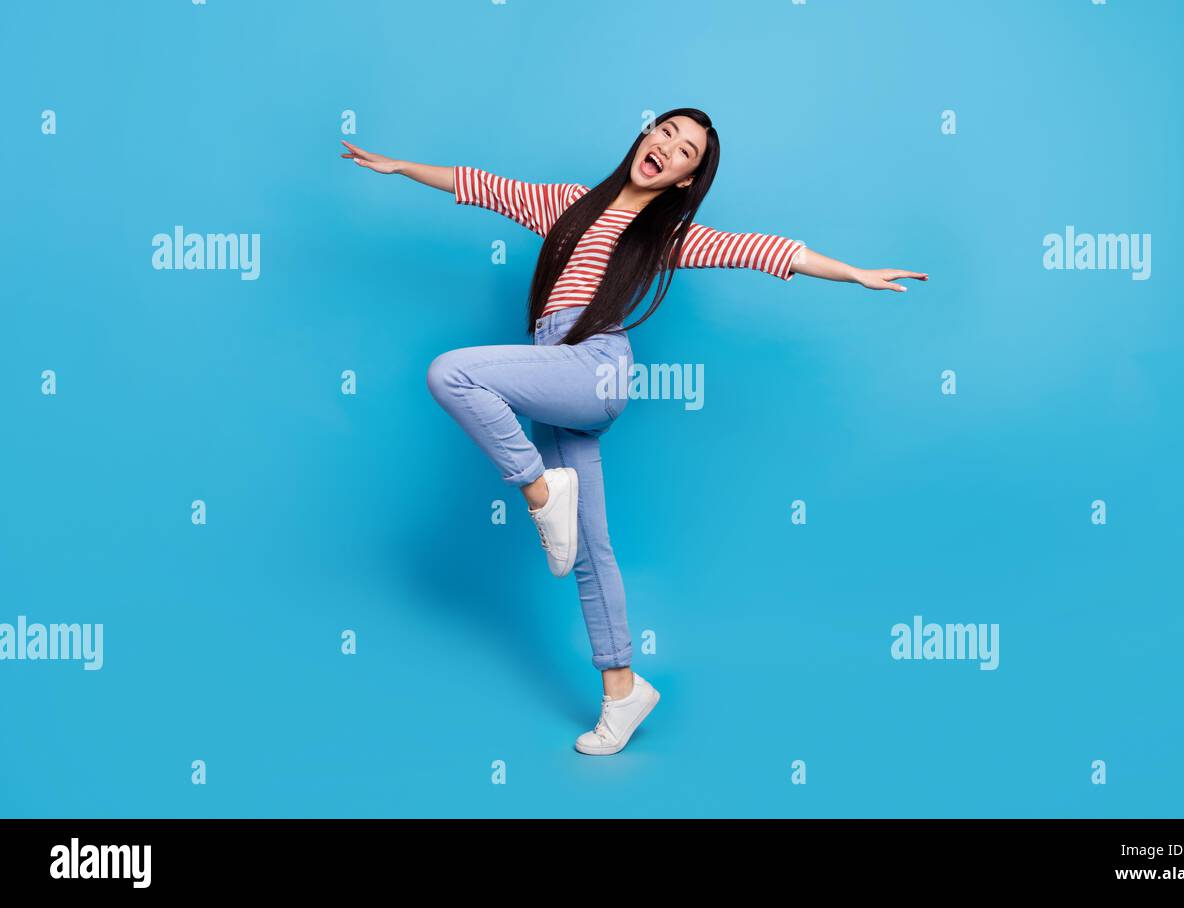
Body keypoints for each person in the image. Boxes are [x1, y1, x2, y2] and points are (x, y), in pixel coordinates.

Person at [341, 108, 926, 755]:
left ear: (684, 179)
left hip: (594, 368)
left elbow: (764, 249)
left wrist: (857, 273)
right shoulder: (566, 204)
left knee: (451, 373)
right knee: (591, 551)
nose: (670, 147)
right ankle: (623, 690)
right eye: (666, 133)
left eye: (687, 152)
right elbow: (479, 184)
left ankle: (538, 492)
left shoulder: (667, 235)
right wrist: (397, 167)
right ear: (645, 136)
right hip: (551, 369)